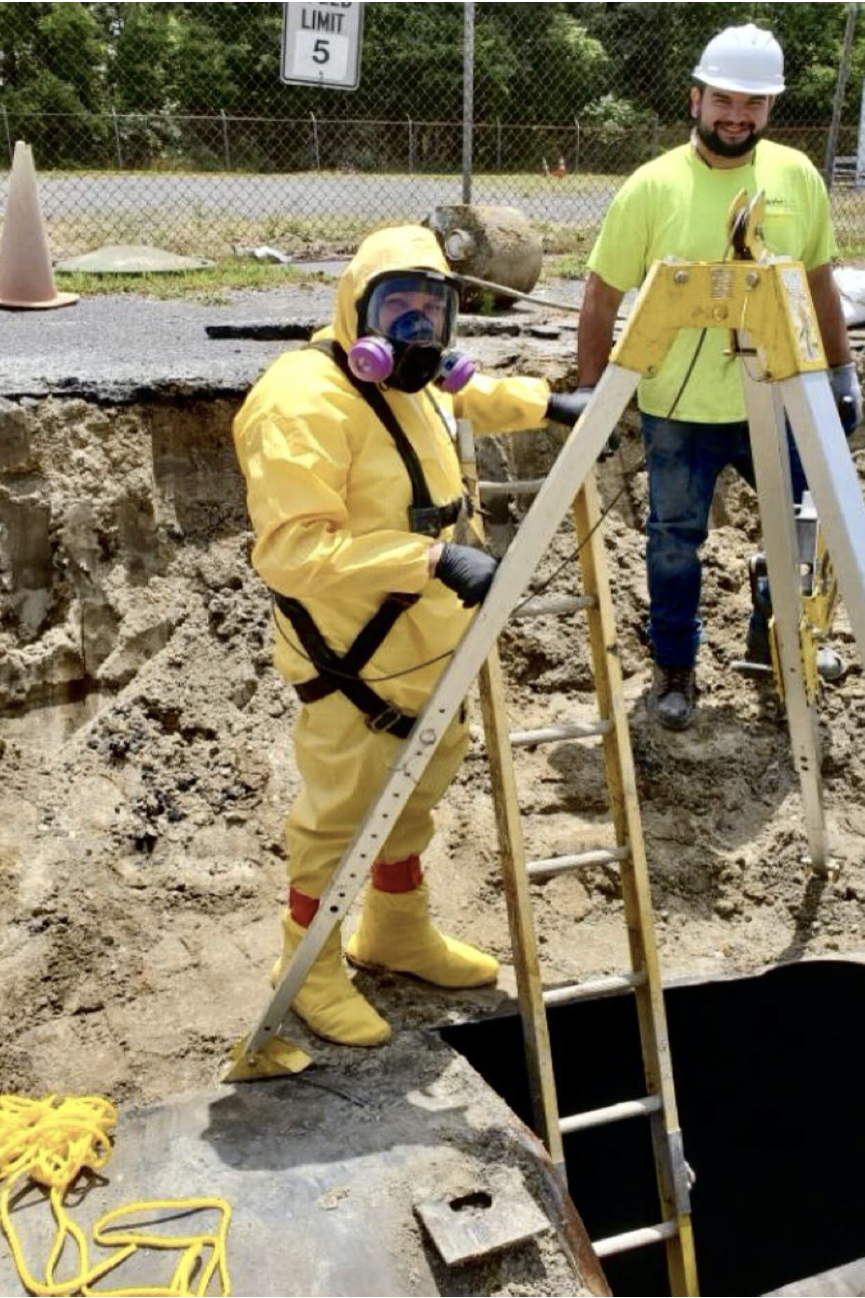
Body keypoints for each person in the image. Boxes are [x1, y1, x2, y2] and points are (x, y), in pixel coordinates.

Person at [233, 225, 580, 1047]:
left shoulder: (412, 382)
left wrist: (550, 403)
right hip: (355, 660)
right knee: (342, 816)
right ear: (356, 310)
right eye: (400, 310)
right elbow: (290, 553)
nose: (417, 332)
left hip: (433, 647)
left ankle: (395, 929)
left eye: (434, 312)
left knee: (413, 797)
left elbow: (467, 393)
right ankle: (309, 966)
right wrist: (432, 558)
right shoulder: (303, 401)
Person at [577, 23, 862, 731]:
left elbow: (819, 282)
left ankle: (781, 643)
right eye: (724, 101)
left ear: (770, 109)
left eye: (754, 105)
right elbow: (601, 295)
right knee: (674, 540)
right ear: (697, 98)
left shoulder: (796, 176)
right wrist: (592, 393)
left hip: (781, 397)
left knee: (793, 529)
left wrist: (841, 369)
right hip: (679, 411)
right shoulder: (653, 186)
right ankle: (676, 666)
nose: (737, 117)